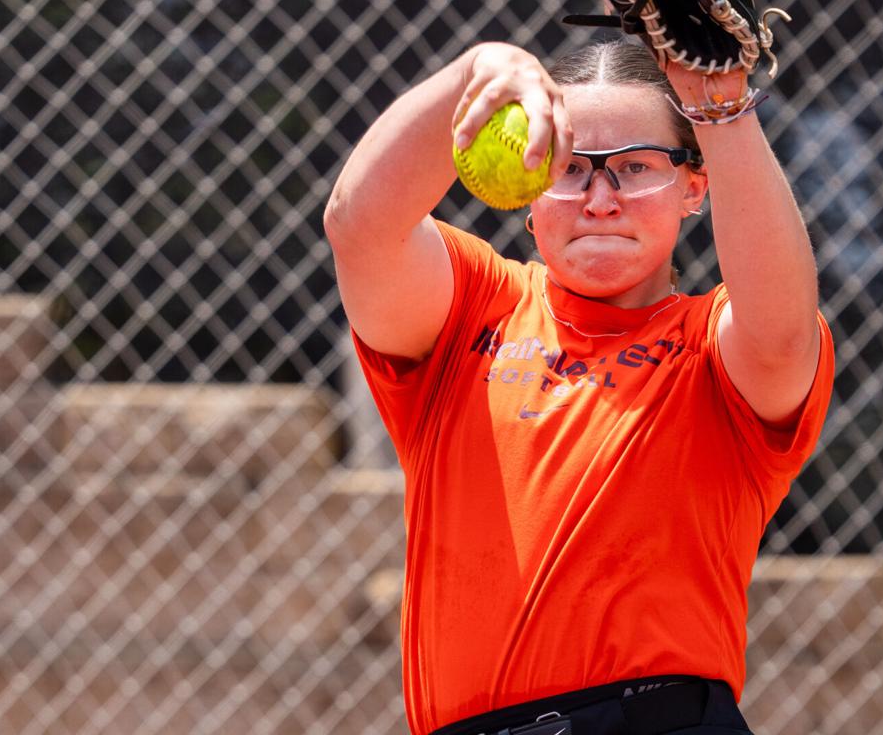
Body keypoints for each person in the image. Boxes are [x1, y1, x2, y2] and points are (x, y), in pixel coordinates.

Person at [324, 38, 834, 735]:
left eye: (635, 167)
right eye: (567, 170)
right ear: (530, 196)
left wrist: (720, 111)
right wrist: (476, 71)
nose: (601, 199)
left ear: (694, 186)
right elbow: (360, 228)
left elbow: (781, 335)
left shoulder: (713, 342)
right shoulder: (476, 307)